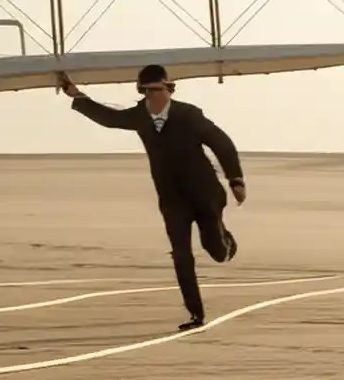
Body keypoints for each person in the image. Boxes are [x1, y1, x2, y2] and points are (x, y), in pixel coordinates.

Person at [58, 65, 246, 331]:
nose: (153, 97)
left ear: (168, 89)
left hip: (205, 194)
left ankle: (225, 240)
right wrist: (77, 96)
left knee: (215, 250)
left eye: (158, 90)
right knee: (181, 254)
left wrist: (236, 179)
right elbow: (110, 118)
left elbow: (221, 142)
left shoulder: (188, 115)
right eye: (146, 92)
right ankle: (196, 314)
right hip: (172, 200)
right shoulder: (139, 117)